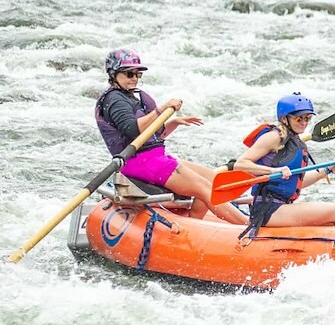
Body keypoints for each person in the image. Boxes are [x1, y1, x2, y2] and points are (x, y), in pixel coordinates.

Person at [94, 49, 247, 225]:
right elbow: (132, 130)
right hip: (138, 161)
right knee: (206, 189)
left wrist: (173, 123)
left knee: (214, 180)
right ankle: (247, 227)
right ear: (114, 74)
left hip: (155, 156)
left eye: (138, 74)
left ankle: (194, 224)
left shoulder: (135, 96)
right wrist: (161, 110)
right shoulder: (114, 100)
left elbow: (154, 134)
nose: (134, 78)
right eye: (129, 74)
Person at [233, 93, 335, 240]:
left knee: (331, 220)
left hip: (282, 207)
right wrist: (273, 170)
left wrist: (330, 169)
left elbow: (296, 181)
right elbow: (241, 164)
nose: (304, 123)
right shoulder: (273, 137)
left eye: (308, 118)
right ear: (284, 118)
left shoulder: (294, 141)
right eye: (299, 118)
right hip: (267, 210)